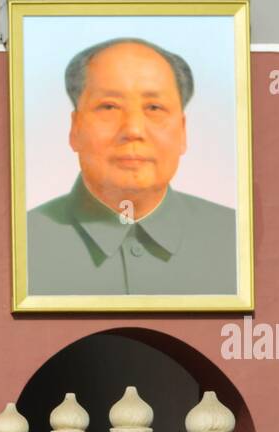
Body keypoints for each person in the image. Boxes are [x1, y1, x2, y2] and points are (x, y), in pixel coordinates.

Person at [26, 37, 237, 296]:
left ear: (183, 132)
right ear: (75, 128)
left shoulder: (236, 239)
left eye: (154, 107)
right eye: (109, 107)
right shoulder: (20, 243)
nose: (133, 130)